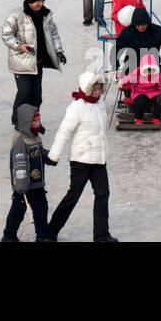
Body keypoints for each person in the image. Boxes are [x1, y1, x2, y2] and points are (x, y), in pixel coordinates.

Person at [45, 71, 116, 242]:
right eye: (95, 88)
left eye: (100, 88)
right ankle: (50, 231)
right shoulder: (77, 107)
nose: (99, 92)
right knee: (73, 196)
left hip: (99, 159)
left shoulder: (99, 104)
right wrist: (54, 155)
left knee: (103, 194)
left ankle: (101, 235)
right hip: (81, 161)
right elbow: (64, 132)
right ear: (87, 89)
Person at [1, 0, 64, 126]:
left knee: (36, 96)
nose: (40, 4)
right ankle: (18, 121)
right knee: (24, 93)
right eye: (37, 1)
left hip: (38, 62)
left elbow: (53, 34)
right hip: (21, 61)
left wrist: (59, 51)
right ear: (30, 0)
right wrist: (19, 45)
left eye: (42, 0)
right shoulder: (16, 15)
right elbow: (6, 35)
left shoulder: (45, 15)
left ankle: (33, 121)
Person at [3, 105, 51, 242]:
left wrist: (50, 157)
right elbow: (20, 164)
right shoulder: (20, 141)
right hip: (23, 186)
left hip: (37, 184)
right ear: (26, 122)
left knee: (41, 209)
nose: (38, 123)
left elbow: (40, 154)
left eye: (39, 120)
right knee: (18, 211)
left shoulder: (36, 138)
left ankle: (42, 235)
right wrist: (22, 184)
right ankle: (9, 235)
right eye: (34, 121)